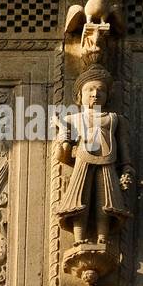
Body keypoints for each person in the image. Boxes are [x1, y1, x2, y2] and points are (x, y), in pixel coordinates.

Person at [54, 65, 133, 247]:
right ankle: (79, 238)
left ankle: (102, 237)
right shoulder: (73, 119)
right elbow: (62, 154)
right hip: (82, 162)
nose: (95, 94)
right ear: (80, 96)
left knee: (105, 200)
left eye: (101, 90)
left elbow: (122, 145)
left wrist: (127, 166)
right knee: (80, 199)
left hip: (107, 162)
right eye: (90, 89)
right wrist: (63, 138)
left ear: (107, 96)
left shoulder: (113, 118)